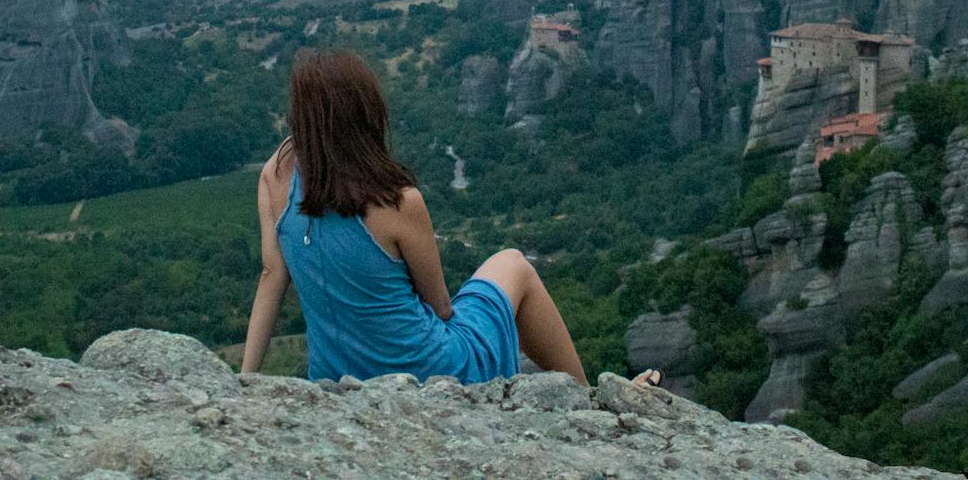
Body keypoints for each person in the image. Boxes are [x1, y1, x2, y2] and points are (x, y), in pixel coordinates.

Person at [240, 48, 659, 389]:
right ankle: (587, 398)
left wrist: (245, 382)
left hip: (335, 378)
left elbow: (272, 276)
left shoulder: (275, 176)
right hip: (429, 375)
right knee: (514, 264)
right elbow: (440, 307)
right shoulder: (398, 201)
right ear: (365, 116)